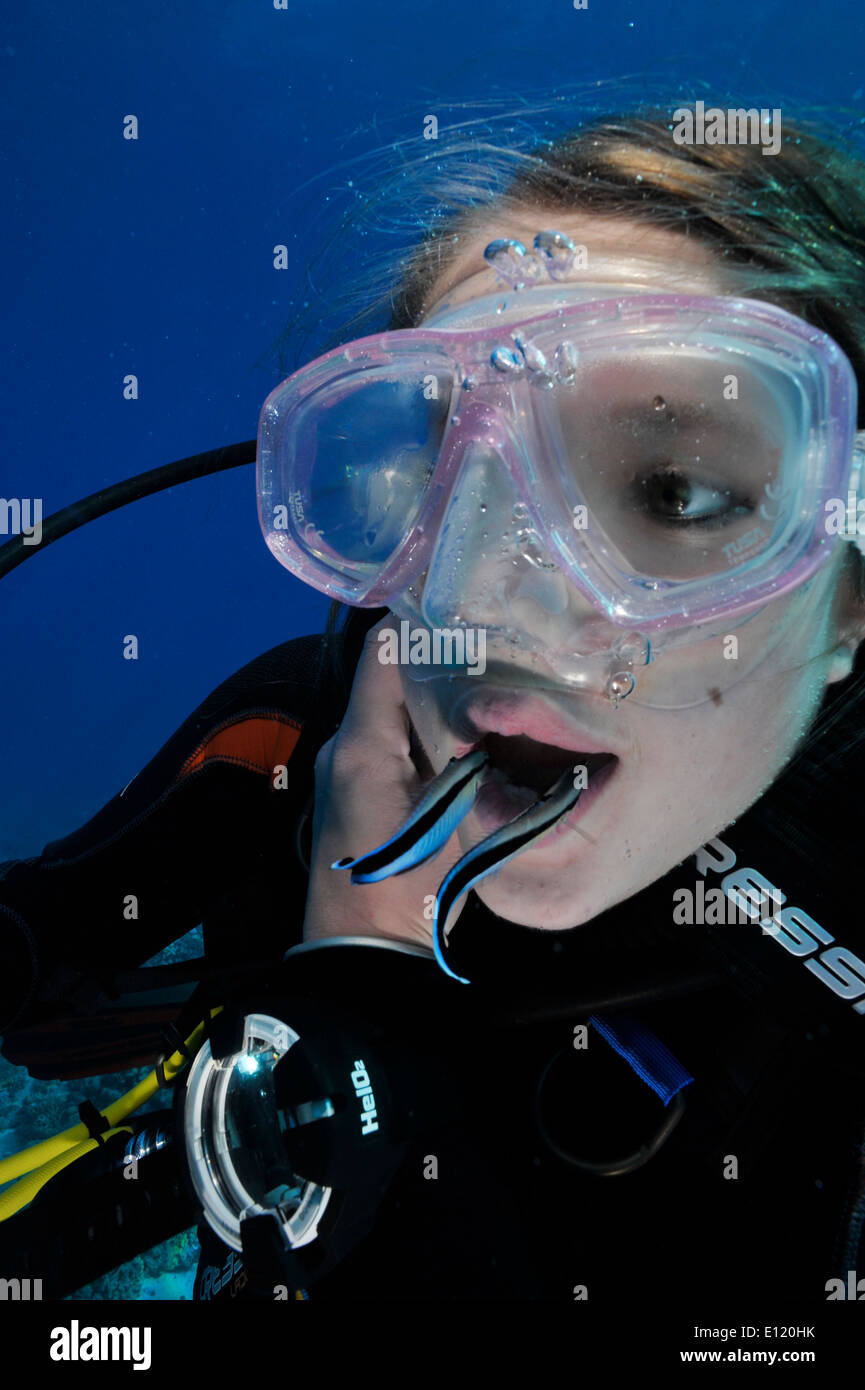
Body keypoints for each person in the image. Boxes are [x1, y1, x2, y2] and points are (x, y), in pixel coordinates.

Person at [3, 101, 865, 1303]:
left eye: (673, 491)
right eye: (437, 476)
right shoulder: (294, 735)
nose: (490, 599)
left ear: (848, 604)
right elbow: (42, 938)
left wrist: (361, 980)